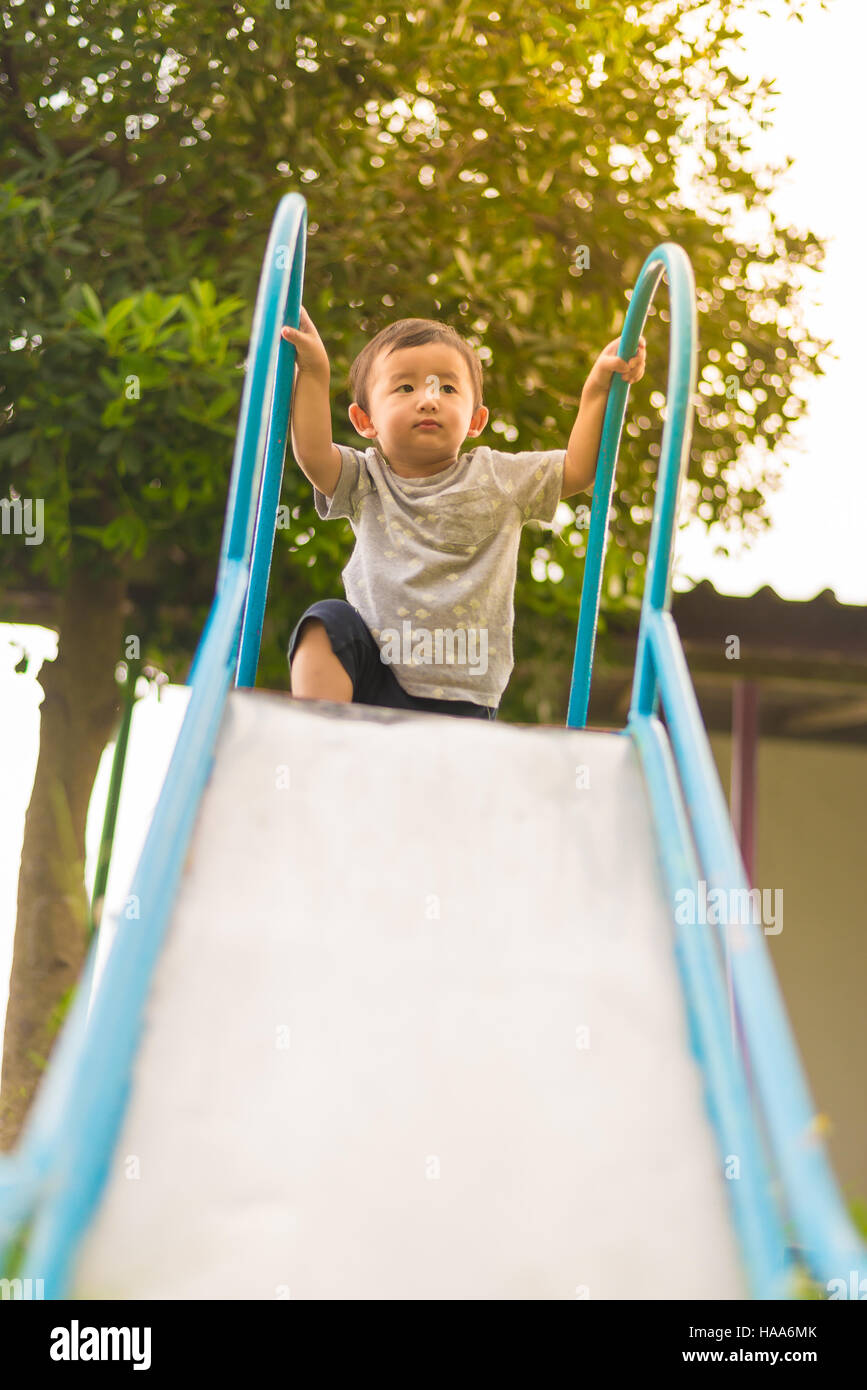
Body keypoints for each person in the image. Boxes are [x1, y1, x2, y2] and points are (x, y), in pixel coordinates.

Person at [283, 308, 645, 720]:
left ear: (476, 420)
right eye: (404, 387)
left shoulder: (499, 478)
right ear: (365, 420)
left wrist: (597, 388)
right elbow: (312, 453)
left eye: (448, 388)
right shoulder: (365, 480)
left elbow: (580, 469)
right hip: (372, 678)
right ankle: (319, 735)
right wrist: (314, 369)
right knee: (324, 623)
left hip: (459, 692)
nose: (428, 399)